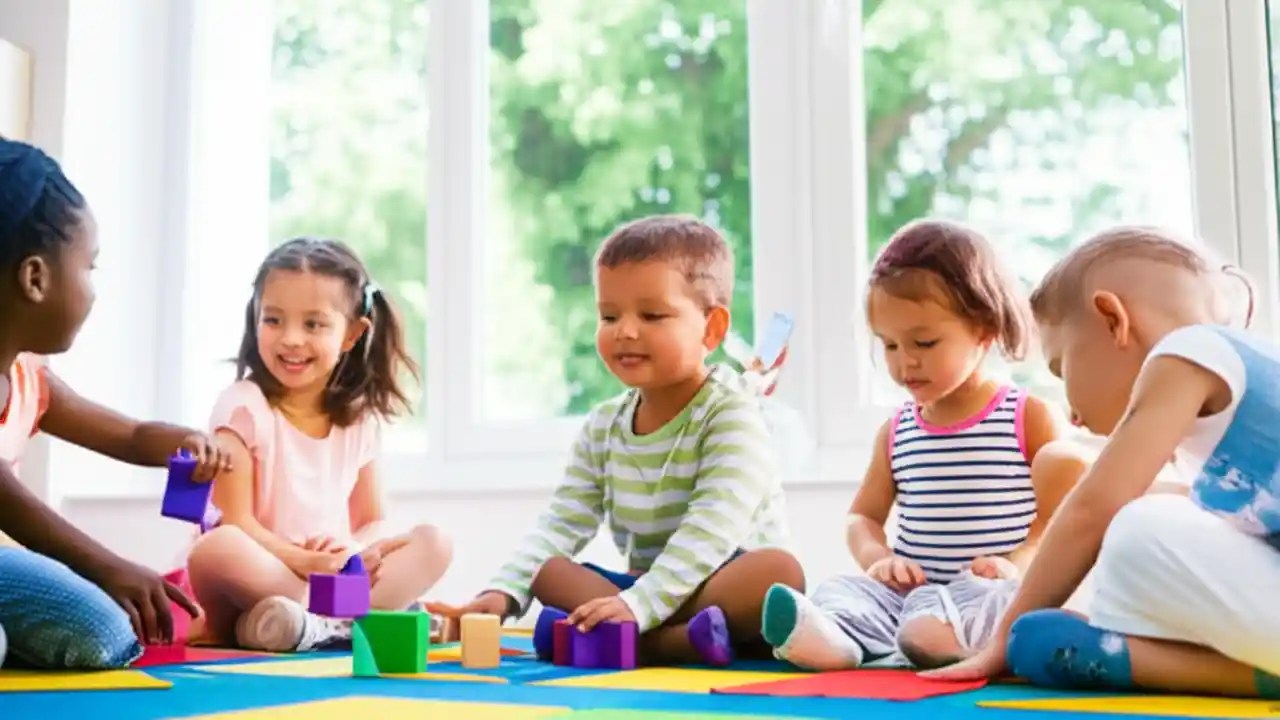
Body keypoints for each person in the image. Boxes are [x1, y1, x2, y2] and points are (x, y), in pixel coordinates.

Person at [924, 226, 1280, 698]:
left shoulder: (1188, 352)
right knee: (1154, 518)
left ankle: (1197, 665)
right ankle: (1239, 674)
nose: (1069, 410)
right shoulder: (1243, 378)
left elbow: (1094, 507)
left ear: (1112, 319)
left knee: (1133, 526)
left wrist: (997, 643)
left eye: (1061, 367)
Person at [433, 215, 804, 666]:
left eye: (651, 315)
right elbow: (561, 522)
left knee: (778, 574)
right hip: (641, 589)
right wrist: (501, 594)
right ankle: (673, 640)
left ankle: (636, 641)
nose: (624, 330)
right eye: (609, 315)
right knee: (548, 573)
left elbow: (711, 530)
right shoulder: (603, 425)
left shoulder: (732, 415)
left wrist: (639, 606)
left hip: (720, 585)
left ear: (711, 328)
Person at [760, 219, 1082, 670]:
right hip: (910, 595)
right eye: (889, 345)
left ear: (985, 329)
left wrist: (1016, 562)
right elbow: (862, 517)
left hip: (986, 590)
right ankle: (840, 644)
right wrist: (879, 559)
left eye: (924, 342)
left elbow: (1057, 519)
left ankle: (937, 644)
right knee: (839, 590)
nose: (904, 362)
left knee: (986, 605)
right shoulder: (897, 430)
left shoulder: (1025, 416)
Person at [0, 138, 227, 668]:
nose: (94, 290)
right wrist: (107, 565)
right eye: (90, 267)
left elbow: (125, 434)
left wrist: (183, 443)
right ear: (35, 278)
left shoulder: (32, 382)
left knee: (104, 633)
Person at [186, 238, 452, 652]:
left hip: (328, 579)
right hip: (262, 569)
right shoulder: (242, 407)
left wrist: (350, 552)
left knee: (434, 543)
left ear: (351, 334)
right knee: (217, 548)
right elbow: (234, 521)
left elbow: (371, 519)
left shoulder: (360, 420)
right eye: (273, 320)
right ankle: (341, 624)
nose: (290, 339)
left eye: (313, 324)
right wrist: (304, 562)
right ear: (255, 317)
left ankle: (306, 626)